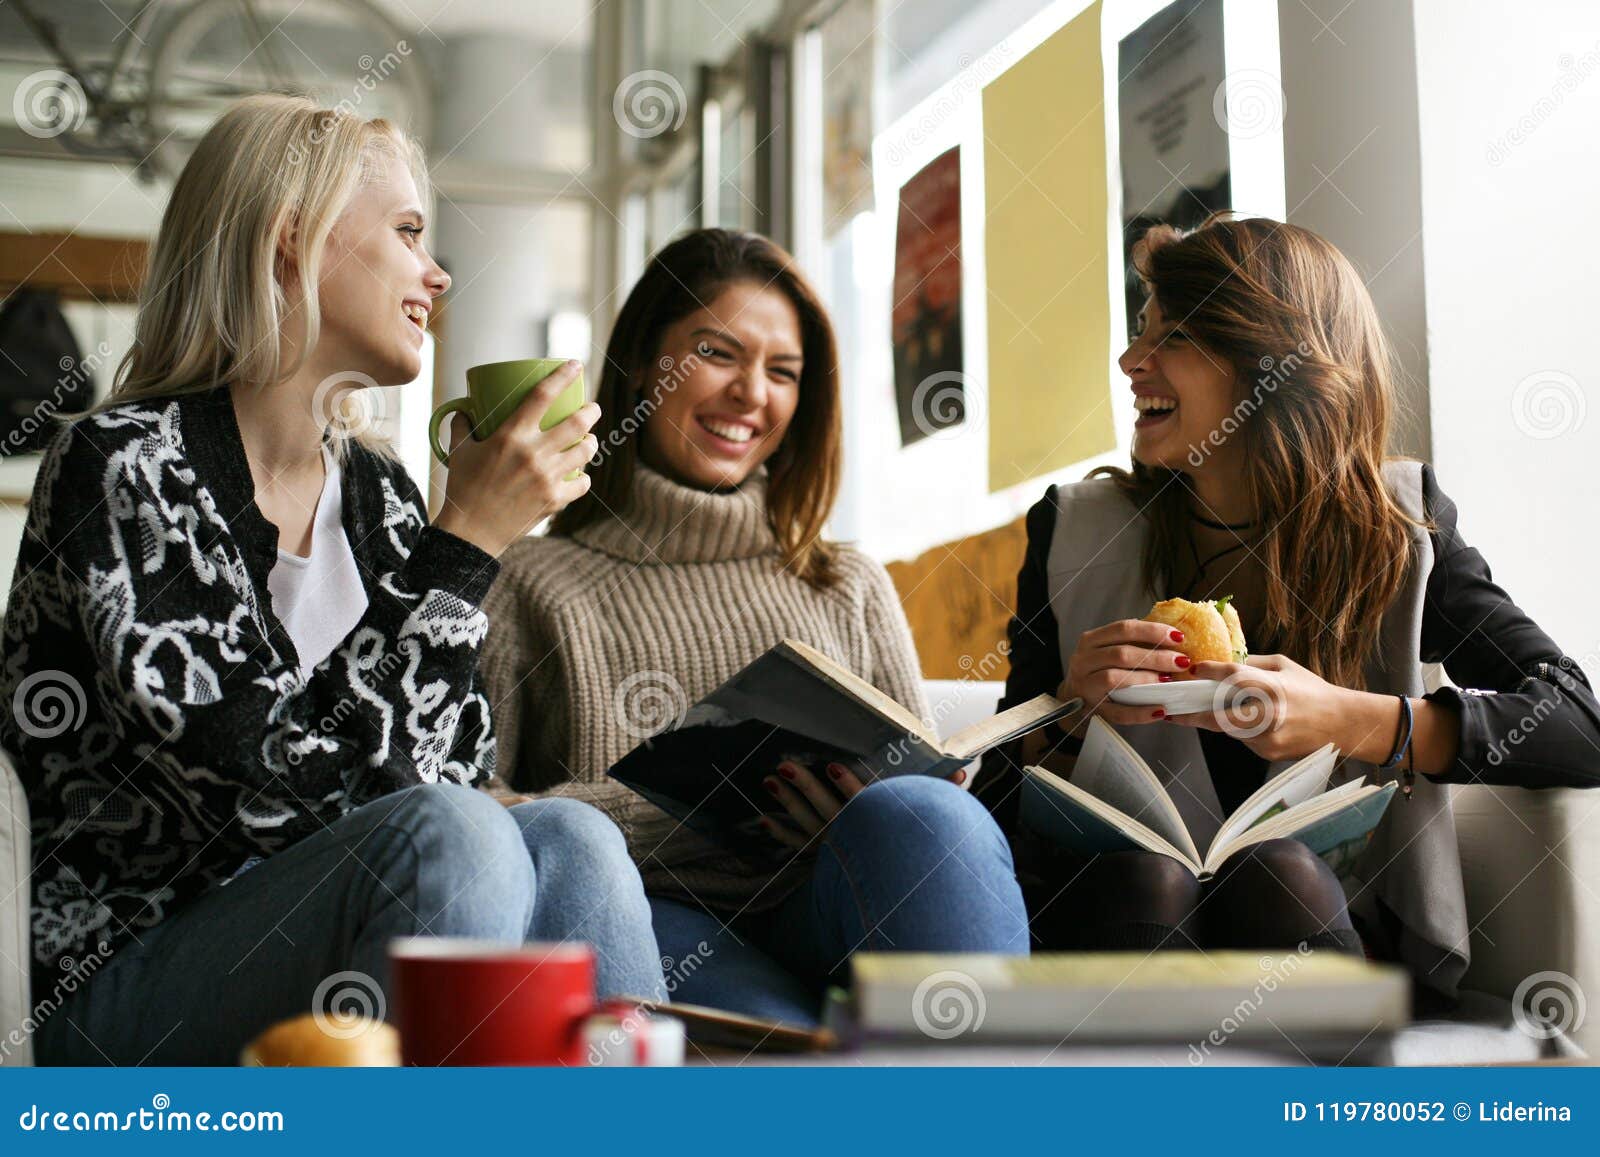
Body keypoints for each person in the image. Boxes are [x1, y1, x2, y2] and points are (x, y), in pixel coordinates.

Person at [0, 95, 663, 1065]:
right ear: (290, 241)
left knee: (570, 836)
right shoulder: (123, 466)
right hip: (129, 985)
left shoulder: (385, 498)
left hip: (345, 944)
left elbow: (454, 762)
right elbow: (264, 796)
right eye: (405, 233)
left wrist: (460, 541)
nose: (436, 273)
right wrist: (466, 543)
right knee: (456, 835)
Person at [978, 215, 1600, 997]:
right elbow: (995, 804)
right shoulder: (1073, 529)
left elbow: (1578, 722)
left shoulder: (1400, 527)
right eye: (1142, 331)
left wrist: (1352, 718)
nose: (1132, 361)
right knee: (1151, 882)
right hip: (1122, 914)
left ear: (1271, 361)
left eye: (1172, 337)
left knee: (1276, 876)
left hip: (1325, 912)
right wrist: (1070, 719)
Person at [480, 228, 1029, 1024]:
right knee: (794, 1045)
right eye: (717, 352)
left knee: (927, 815)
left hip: (840, 903)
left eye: (782, 372)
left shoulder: (845, 581)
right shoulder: (530, 583)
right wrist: (688, 820)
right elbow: (474, 815)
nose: (751, 393)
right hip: (651, 921)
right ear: (642, 362)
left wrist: (857, 810)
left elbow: (922, 782)